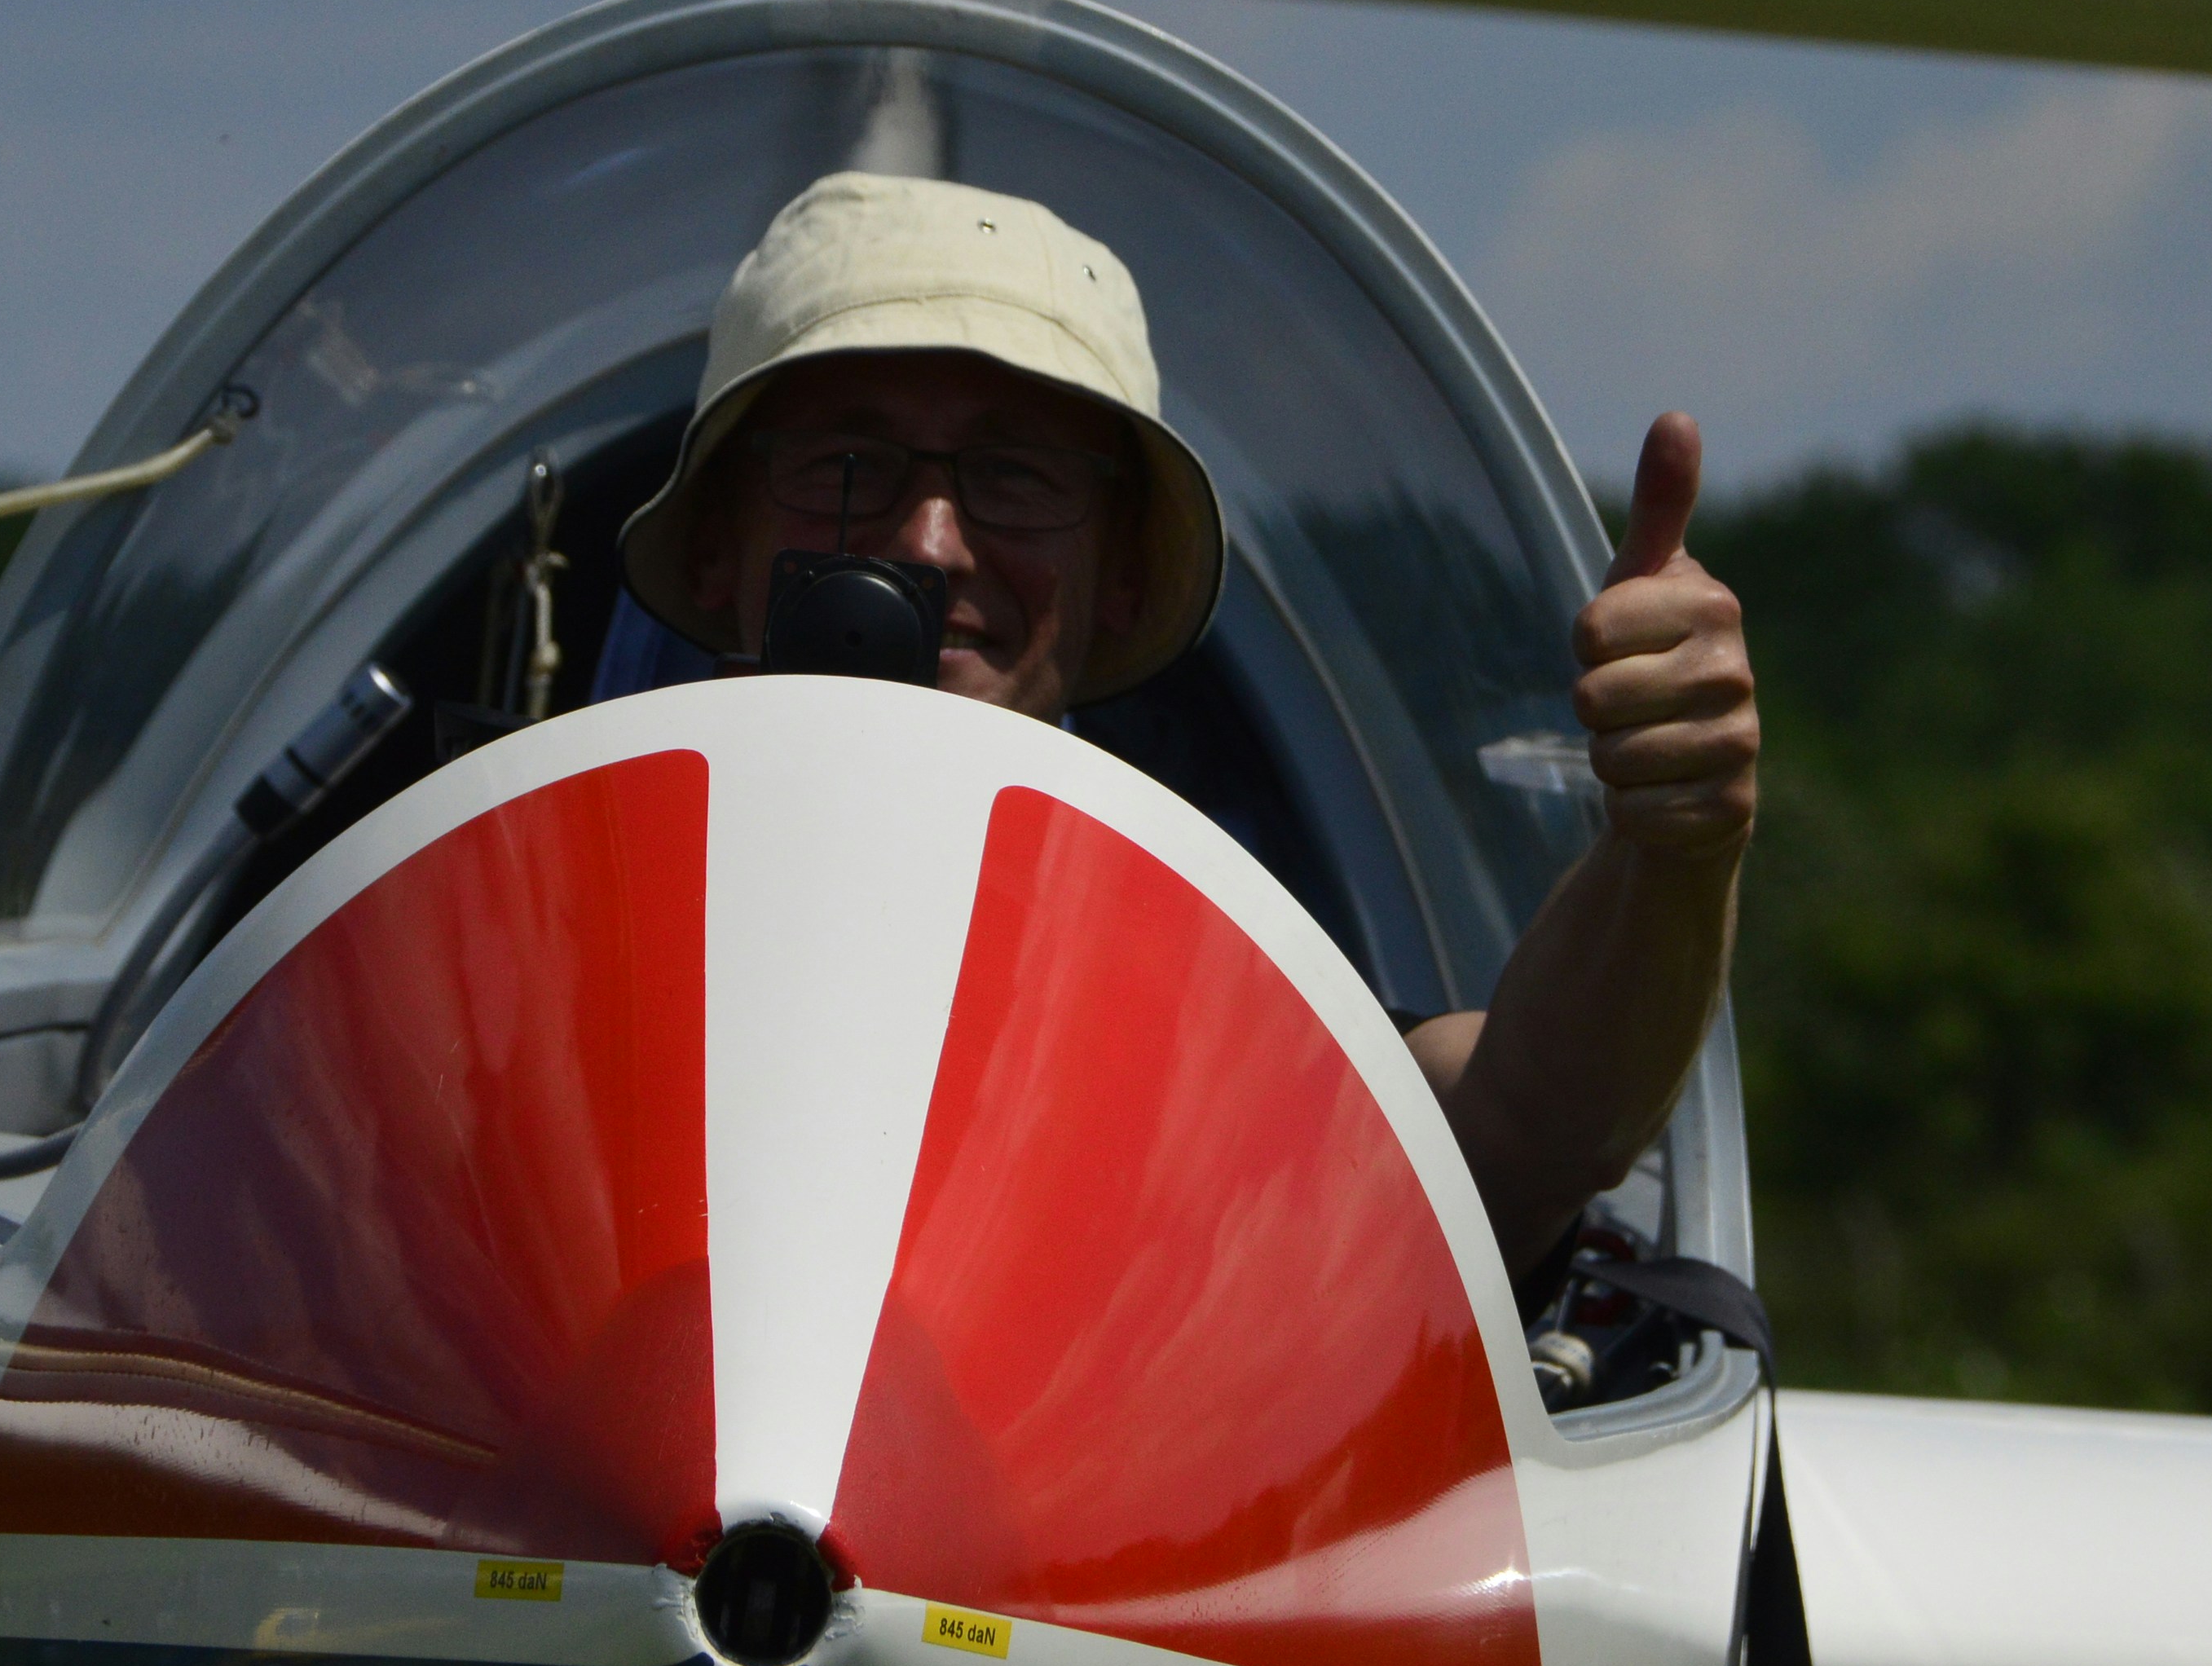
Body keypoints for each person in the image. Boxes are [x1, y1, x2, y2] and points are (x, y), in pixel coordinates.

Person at [616, 171, 1758, 1289]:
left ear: (1119, 574)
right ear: (718, 543)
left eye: (1014, 475)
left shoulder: (1216, 1010)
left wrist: (1674, 850)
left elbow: (1531, 1124)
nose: (929, 543)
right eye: (846, 465)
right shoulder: (519, 917)